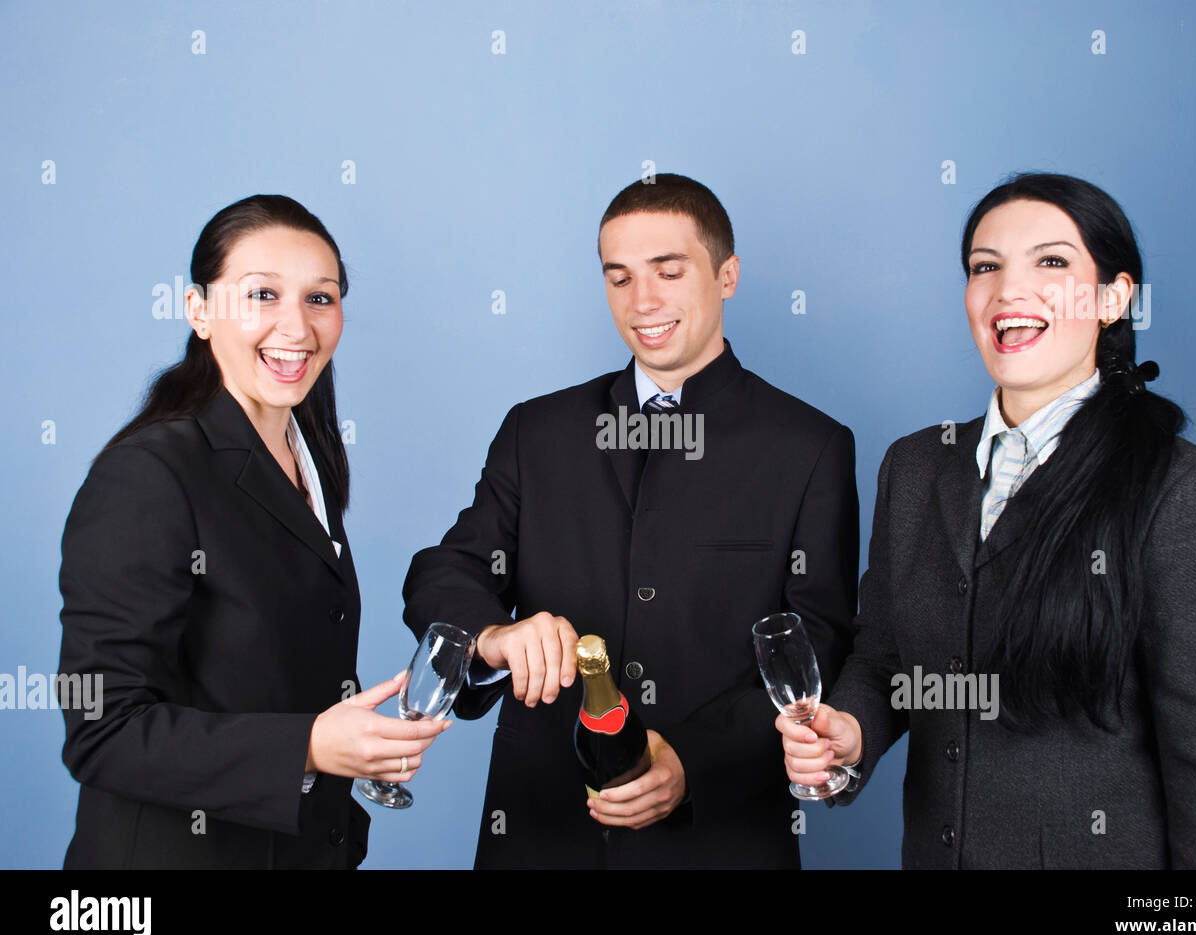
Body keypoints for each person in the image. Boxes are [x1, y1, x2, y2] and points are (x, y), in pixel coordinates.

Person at [778, 172, 1196, 868]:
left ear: (1112, 298)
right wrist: (850, 730)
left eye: (1051, 262)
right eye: (986, 267)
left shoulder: (1182, 489)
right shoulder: (917, 465)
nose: (1009, 290)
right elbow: (887, 657)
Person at [403, 174, 859, 868]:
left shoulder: (811, 446)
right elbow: (448, 569)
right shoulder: (538, 431)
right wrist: (494, 636)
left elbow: (819, 639)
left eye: (668, 272)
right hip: (539, 836)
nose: (642, 302)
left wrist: (693, 761)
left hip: (721, 842)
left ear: (727, 275)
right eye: (619, 278)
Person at [58, 195, 449, 868]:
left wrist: (345, 749)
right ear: (200, 311)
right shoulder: (148, 475)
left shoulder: (308, 452)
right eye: (262, 294)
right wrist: (309, 747)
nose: (296, 326)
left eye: (319, 299)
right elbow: (102, 729)